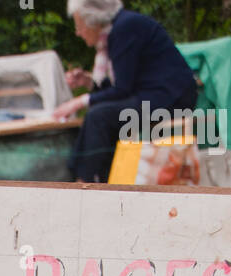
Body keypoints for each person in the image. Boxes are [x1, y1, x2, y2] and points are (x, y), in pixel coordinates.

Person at [54, 0, 199, 183]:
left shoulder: (125, 27)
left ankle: (84, 182)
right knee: (100, 115)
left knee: (99, 116)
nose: (78, 33)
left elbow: (122, 89)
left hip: (172, 99)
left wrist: (79, 101)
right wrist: (88, 82)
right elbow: (121, 84)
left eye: (79, 26)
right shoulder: (118, 29)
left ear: (93, 21)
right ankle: (98, 179)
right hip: (151, 94)